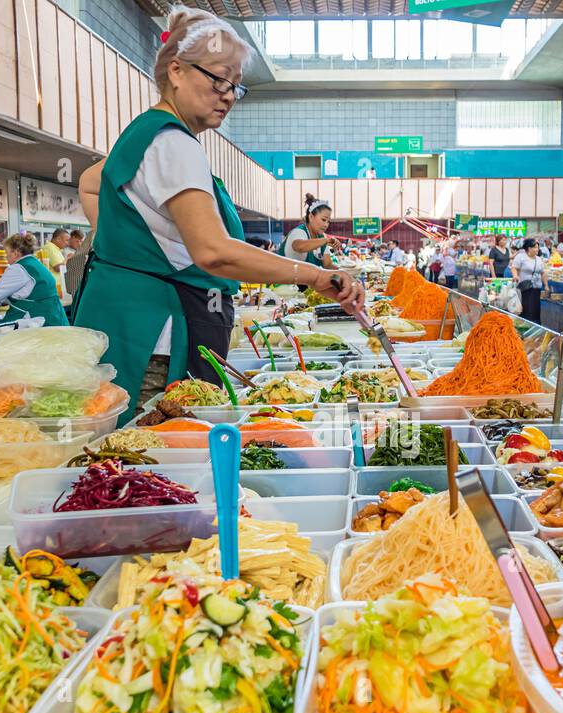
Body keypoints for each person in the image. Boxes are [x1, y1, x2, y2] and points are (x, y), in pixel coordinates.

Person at [72, 7, 363, 418]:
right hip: (155, 340)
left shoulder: (145, 133)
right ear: (176, 70)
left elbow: (88, 181)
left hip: (124, 324)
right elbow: (214, 252)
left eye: (236, 86)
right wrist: (315, 277)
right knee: (152, 461)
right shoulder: (175, 143)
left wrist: (131, 251)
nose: (227, 94)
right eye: (218, 80)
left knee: (127, 463)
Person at [0, 232, 68, 327]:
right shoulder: (36, 264)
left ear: (16, 253)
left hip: (36, 321)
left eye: (7, 254)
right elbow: (26, 293)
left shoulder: (18, 268)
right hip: (54, 318)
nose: (6, 258)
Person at [511, 237, 545, 323]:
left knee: (536, 310)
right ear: (529, 248)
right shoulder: (521, 257)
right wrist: (515, 276)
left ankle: (535, 328)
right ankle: (525, 326)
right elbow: (514, 268)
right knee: (526, 310)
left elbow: (543, 272)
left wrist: (546, 285)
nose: (537, 249)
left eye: (538, 247)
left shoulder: (538, 259)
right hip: (525, 288)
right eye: (535, 247)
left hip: (536, 289)